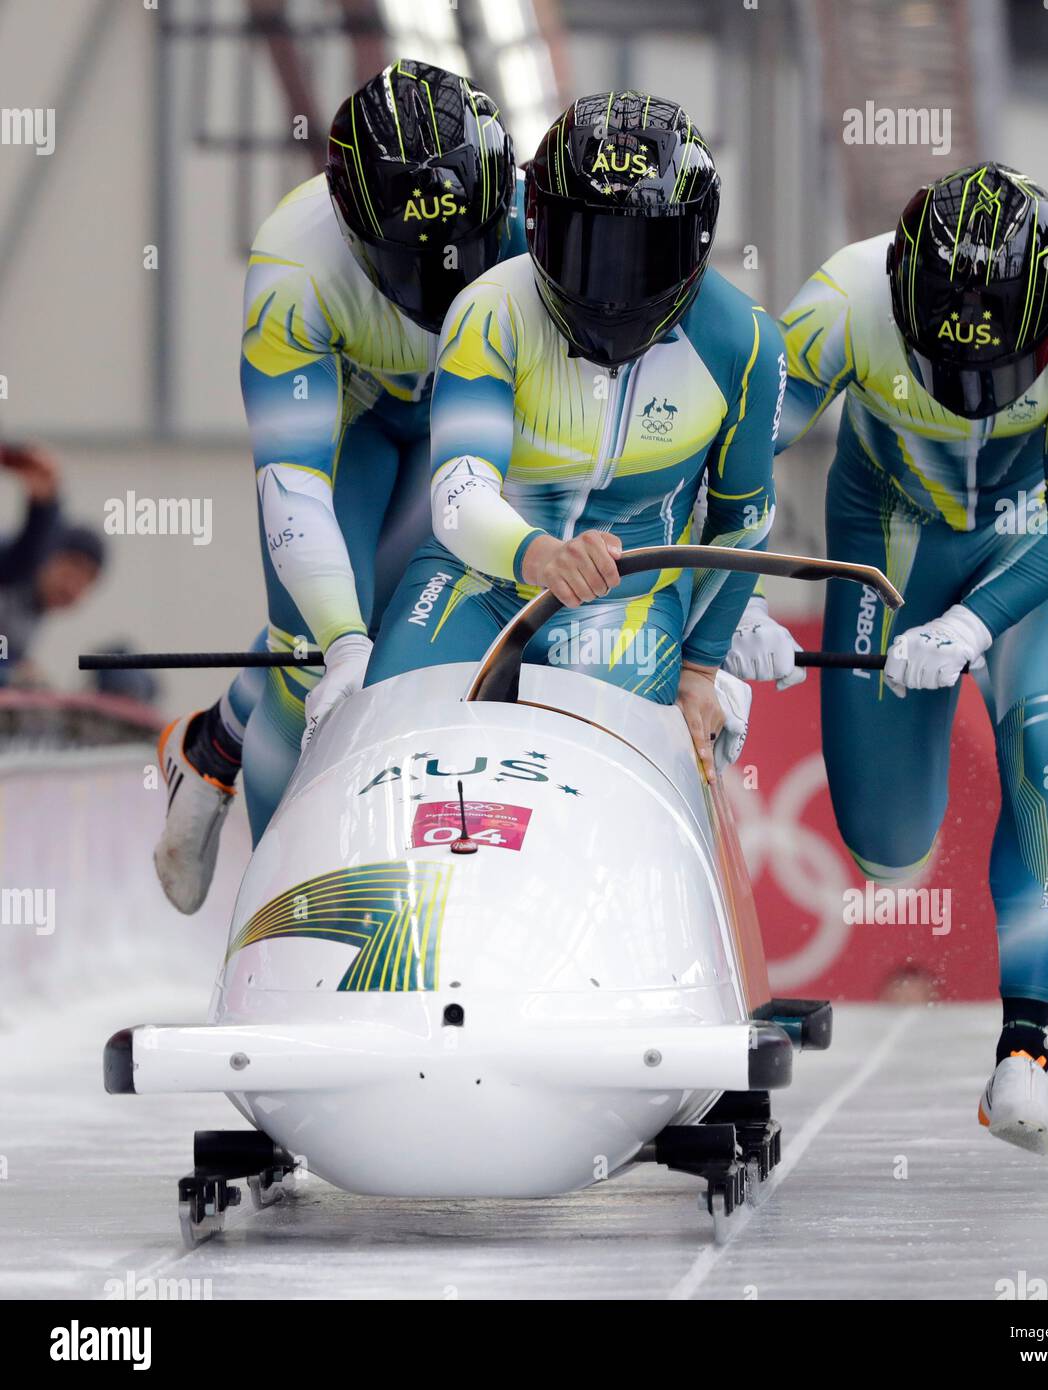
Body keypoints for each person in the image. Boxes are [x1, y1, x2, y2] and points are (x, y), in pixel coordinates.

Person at [731, 163, 1048, 1153]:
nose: (965, 399)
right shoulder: (842, 297)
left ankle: (1023, 1050)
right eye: (940, 370)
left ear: (1045, 326)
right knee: (887, 849)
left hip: (1031, 541)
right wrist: (730, 595)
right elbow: (738, 453)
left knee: (1040, 739)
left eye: (993, 375)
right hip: (889, 538)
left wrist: (974, 625)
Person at [153, 62, 525, 912]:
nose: (442, 280)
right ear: (349, 227)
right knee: (315, 657)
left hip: (462, 423)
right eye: (406, 260)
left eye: (466, 248)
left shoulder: (539, 220)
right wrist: (335, 635)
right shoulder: (295, 266)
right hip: (349, 431)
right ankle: (280, 900)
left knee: (408, 619)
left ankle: (214, 745)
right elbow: (293, 487)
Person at [363, 91, 782, 770]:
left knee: (582, 770)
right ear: (536, 222)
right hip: (477, 578)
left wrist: (701, 671)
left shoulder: (746, 342)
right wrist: (542, 557)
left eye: (640, 254)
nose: (610, 287)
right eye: (588, 246)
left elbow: (741, 522)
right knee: (392, 750)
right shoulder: (489, 310)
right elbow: (460, 493)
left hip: (630, 600)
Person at [0, 443, 106, 686]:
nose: (73, 586)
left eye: (88, 580)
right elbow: (22, 558)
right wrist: (44, 506)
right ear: (47, 555)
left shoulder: (34, 608)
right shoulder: (14, 572)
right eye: (72, 568)